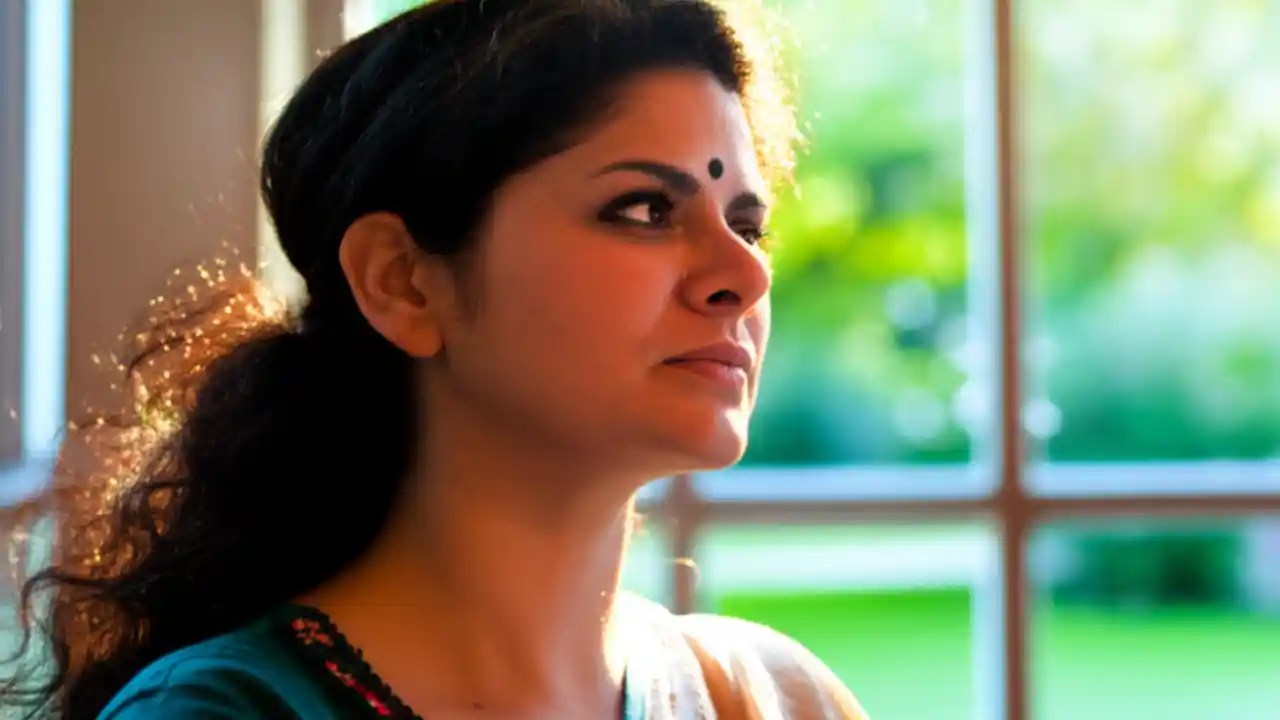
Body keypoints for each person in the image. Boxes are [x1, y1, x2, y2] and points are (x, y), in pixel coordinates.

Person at [2, 0, 868, 717]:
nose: (745, 274)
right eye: (643, 209)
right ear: (404, 283)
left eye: (747, 224)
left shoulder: (773, 697)